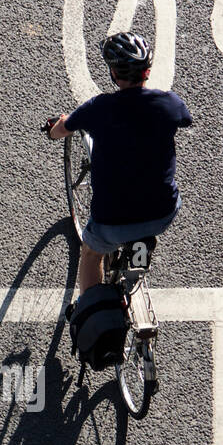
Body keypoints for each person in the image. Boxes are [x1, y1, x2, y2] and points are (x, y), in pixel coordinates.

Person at [43, 32, 193, 299]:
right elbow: (185, 119)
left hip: (111, 221)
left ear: (113, 73)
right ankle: (139, 256)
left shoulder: (99, 108)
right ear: (147, 71)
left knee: (90, 254)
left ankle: (89, 309)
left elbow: (60, 131)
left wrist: (55, 126)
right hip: (162, 213)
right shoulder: (169, 104)